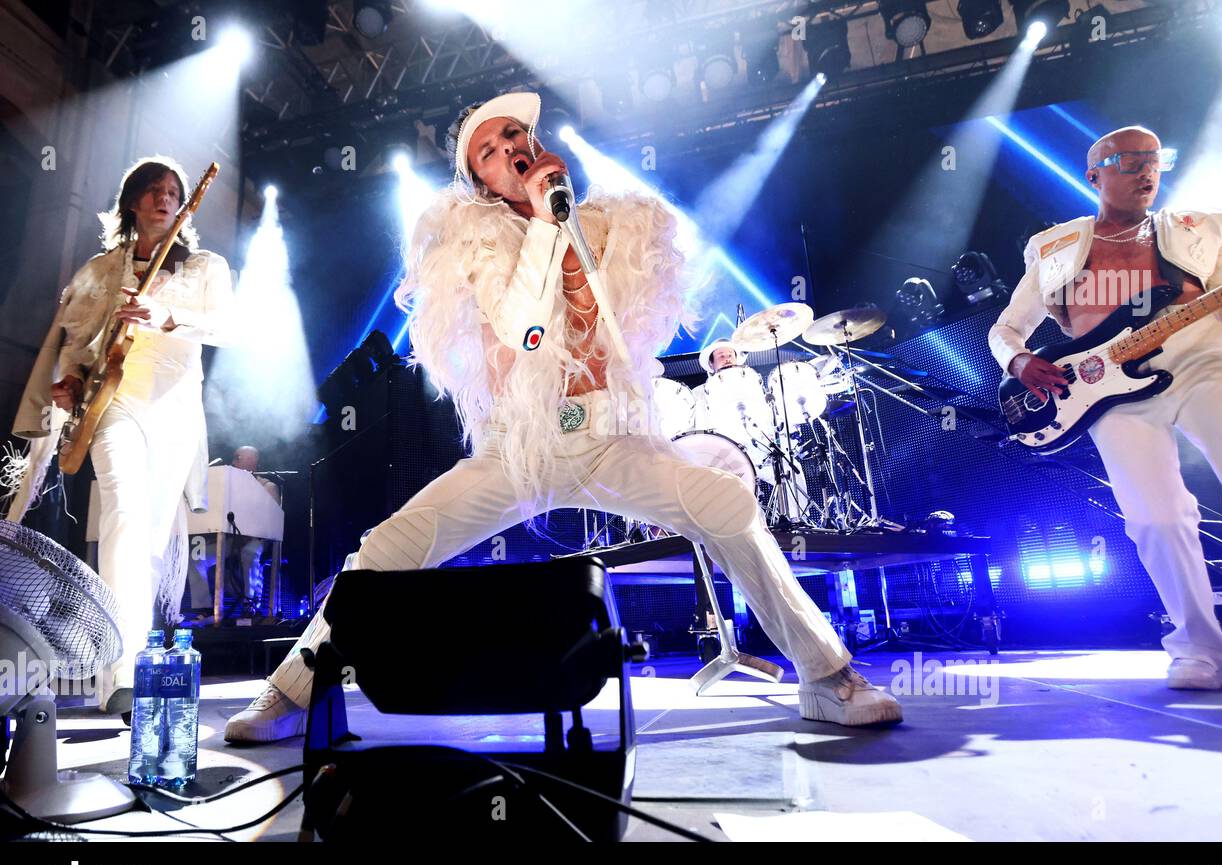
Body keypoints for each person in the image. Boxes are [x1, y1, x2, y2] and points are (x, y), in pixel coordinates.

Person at [225, 92, 901, 742]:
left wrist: (566, 224)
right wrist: (546, 231)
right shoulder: (480, 241)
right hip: (522, 447)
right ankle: (290, 690)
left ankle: (825, 674)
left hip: (612, 437)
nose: (508, 149)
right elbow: (524, 332)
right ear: (481, 182)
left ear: (536, 145)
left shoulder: (605, 223)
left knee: (727, 506)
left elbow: (628, 332)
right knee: (387, 549)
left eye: (513, 136)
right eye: (488, 149)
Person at [989, 125, 1222, 689]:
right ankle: (1198, 648)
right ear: (1094, 175)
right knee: (1153, 515)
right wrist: (1020, 362)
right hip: (1108, 386)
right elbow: (1006, 328)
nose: (1145, 171)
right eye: (1127, 160)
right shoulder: (1056, 246)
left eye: (1153, 160)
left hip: (1204, 362)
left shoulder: (1199, 231)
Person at [10, 155, 235, 714]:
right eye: (154, 190)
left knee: (152, 540)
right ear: (132, 201)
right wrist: (69, 382)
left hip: (176, 411)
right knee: (125, 519)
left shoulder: (205, 266)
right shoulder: (99, 269)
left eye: (174, 192)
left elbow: (230, 328)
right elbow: (76, 342)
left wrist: (166, 317)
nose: (165, 198)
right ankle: (119, 678)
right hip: (116, 405)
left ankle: (133, 658)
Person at [186, 445, 280, 621]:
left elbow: (272, 522)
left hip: (257, 540)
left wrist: (250, 533)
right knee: (197, 556)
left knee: (249, 552)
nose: (233, 462)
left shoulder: (268, 486)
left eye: (238, 458)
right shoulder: (226, 488)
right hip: (230, 540)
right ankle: (204, 608)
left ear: (252, 462)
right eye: (235, 458)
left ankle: (250, 604)